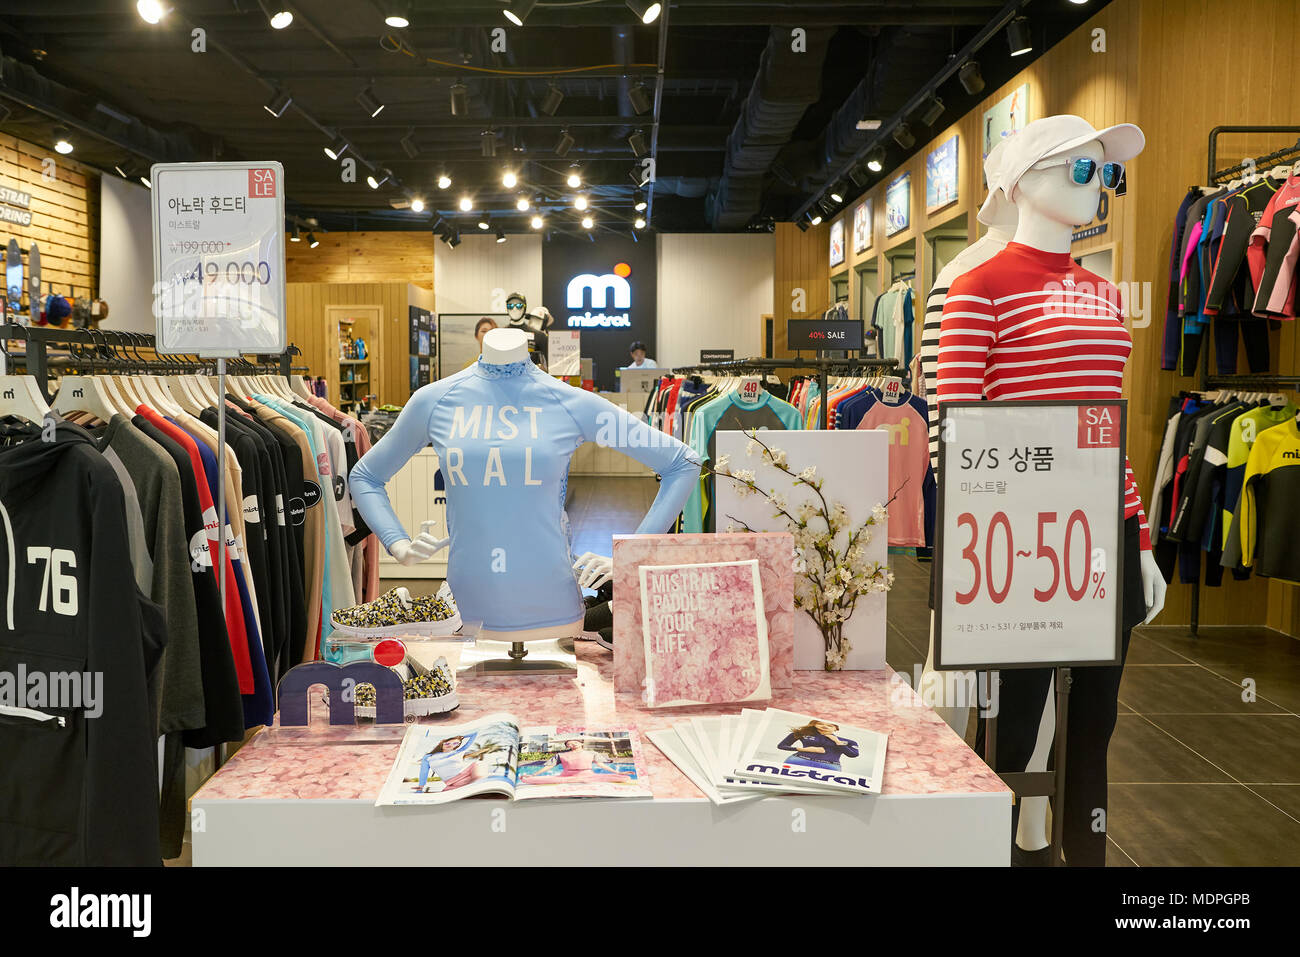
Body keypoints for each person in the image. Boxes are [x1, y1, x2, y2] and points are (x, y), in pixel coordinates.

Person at [518, 738, 636, 785]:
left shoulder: (592, 753)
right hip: (566, 776)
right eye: (569, 744)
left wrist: (618, 773)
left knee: (624, 779)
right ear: (568, 746)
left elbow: (601, 765)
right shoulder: (561, 755)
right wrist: (533, 774)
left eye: (575, 742)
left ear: (581, 743)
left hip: (588, 775)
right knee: (530, 780)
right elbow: (549, 767)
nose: (572, 744)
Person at [416, 733, 490, 792]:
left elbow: (474, 734)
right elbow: (424, 772)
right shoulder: (428, 757)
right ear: (442, 743)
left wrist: (461, 736)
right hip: (452, 782)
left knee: (479, 764)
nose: (451, 745)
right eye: (448, 743)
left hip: (468, 774)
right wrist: (421, 787)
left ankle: (480, 784)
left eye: (455, 744)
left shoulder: (458, 752)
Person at [776, 720, 859, 771]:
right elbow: (782, 746)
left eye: (830, 725)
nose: (824, 726)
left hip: (829, 767)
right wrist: (805, 749)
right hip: (798, 761)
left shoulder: (849, 742)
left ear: (836, 728)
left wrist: (837, 742)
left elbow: (853, 754)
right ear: (814, 725)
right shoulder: (801, 734)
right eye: (820, 723)